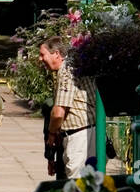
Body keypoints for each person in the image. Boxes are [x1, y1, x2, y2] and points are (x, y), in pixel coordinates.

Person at [38, 36, 96, 178]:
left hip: (80, 138)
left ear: (56, 54)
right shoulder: (70, 69)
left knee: (76, 188)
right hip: (86, 133)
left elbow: (58, 113)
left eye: (42, 54)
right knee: (90, 186)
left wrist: (51, 135)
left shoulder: (67, 71)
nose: (40, 59)